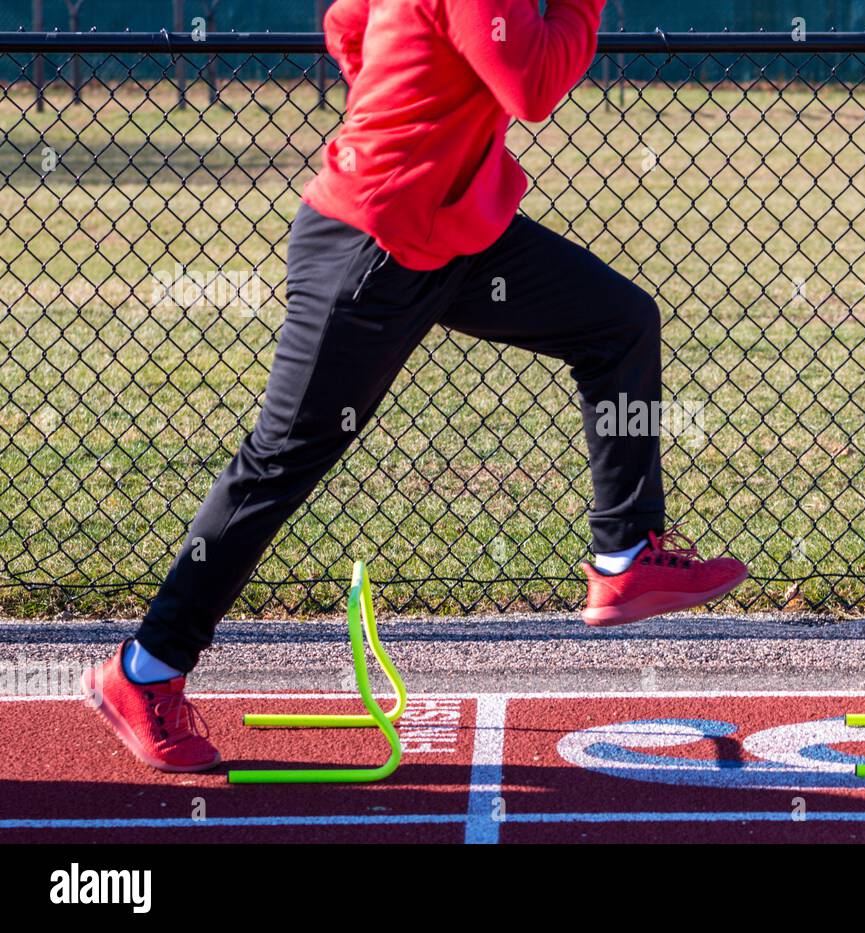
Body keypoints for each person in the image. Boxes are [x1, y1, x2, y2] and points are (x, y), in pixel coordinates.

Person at [81, 0, 747, 773]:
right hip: (376, 241)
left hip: (456, 231)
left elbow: (346, 24)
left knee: (618, 322)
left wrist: (414, 104)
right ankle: (145, 670)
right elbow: (529, 88)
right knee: (279, 462)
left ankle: (625, 553)